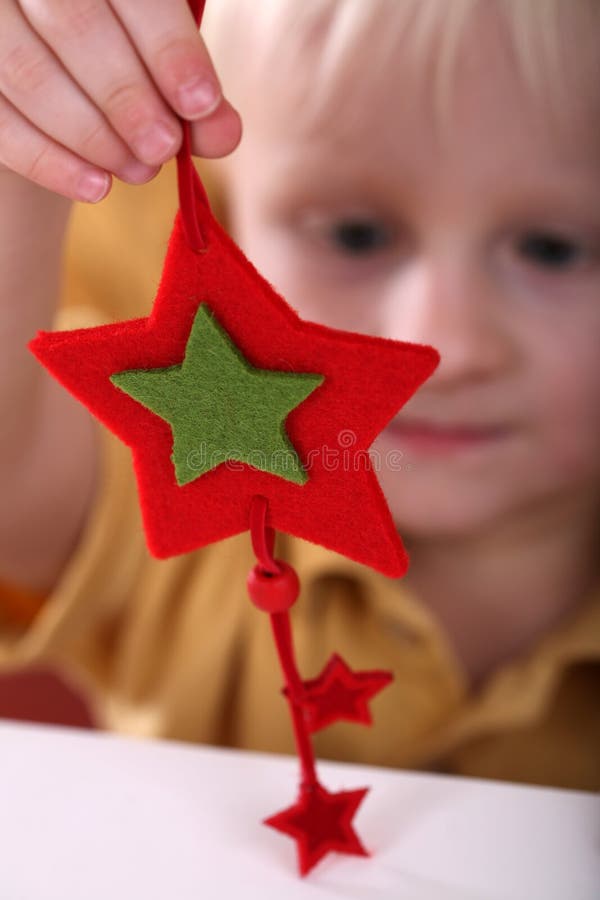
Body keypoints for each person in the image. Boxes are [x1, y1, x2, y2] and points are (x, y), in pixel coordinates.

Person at [0, 0, 598, 790]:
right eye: (354, 235)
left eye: (552, 248)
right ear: (227, 218)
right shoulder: (182, 495)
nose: (449, 349)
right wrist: (21, 165)